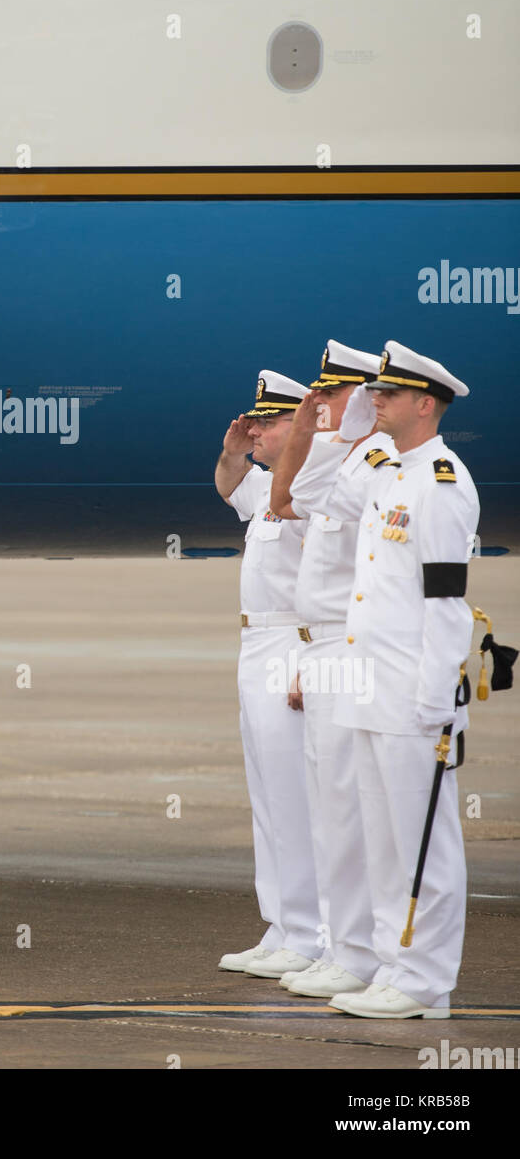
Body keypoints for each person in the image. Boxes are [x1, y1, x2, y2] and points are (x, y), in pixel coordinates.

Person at [282, 341, 477, 1019]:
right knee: (387, 841)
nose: (377, 399)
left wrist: (435, 700)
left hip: (412, 694)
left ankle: (427, 980)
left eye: (389, 394)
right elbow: (311, 503)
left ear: (426, 403)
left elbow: (445, 602)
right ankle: (395, 968)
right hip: (371, 685)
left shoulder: (442, 483)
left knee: (425, 843)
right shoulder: (392, 473)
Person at [265, 341, 386, 999]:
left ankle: (359, 952)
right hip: (319, 647)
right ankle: (343, 947)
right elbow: (282, 498)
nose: (320, 404)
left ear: (362, 397)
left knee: (347, 807)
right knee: (329, 805)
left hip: (349, 644)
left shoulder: (377, 466)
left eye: (332, 394)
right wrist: (312, 428)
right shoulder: (340, 460)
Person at [214, 370, 321, 981]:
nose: (254, 429)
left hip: (292, 641)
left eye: (267, 422)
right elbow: (231, 488)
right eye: (251, 420)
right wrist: (233, 452)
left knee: (295, 796)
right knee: (267, 797)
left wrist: (313, 661)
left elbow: (335, 584)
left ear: (301, 424)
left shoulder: (311, 489)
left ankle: (312, 934)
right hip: (256, 641)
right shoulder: (275, 483)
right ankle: (283, 926)